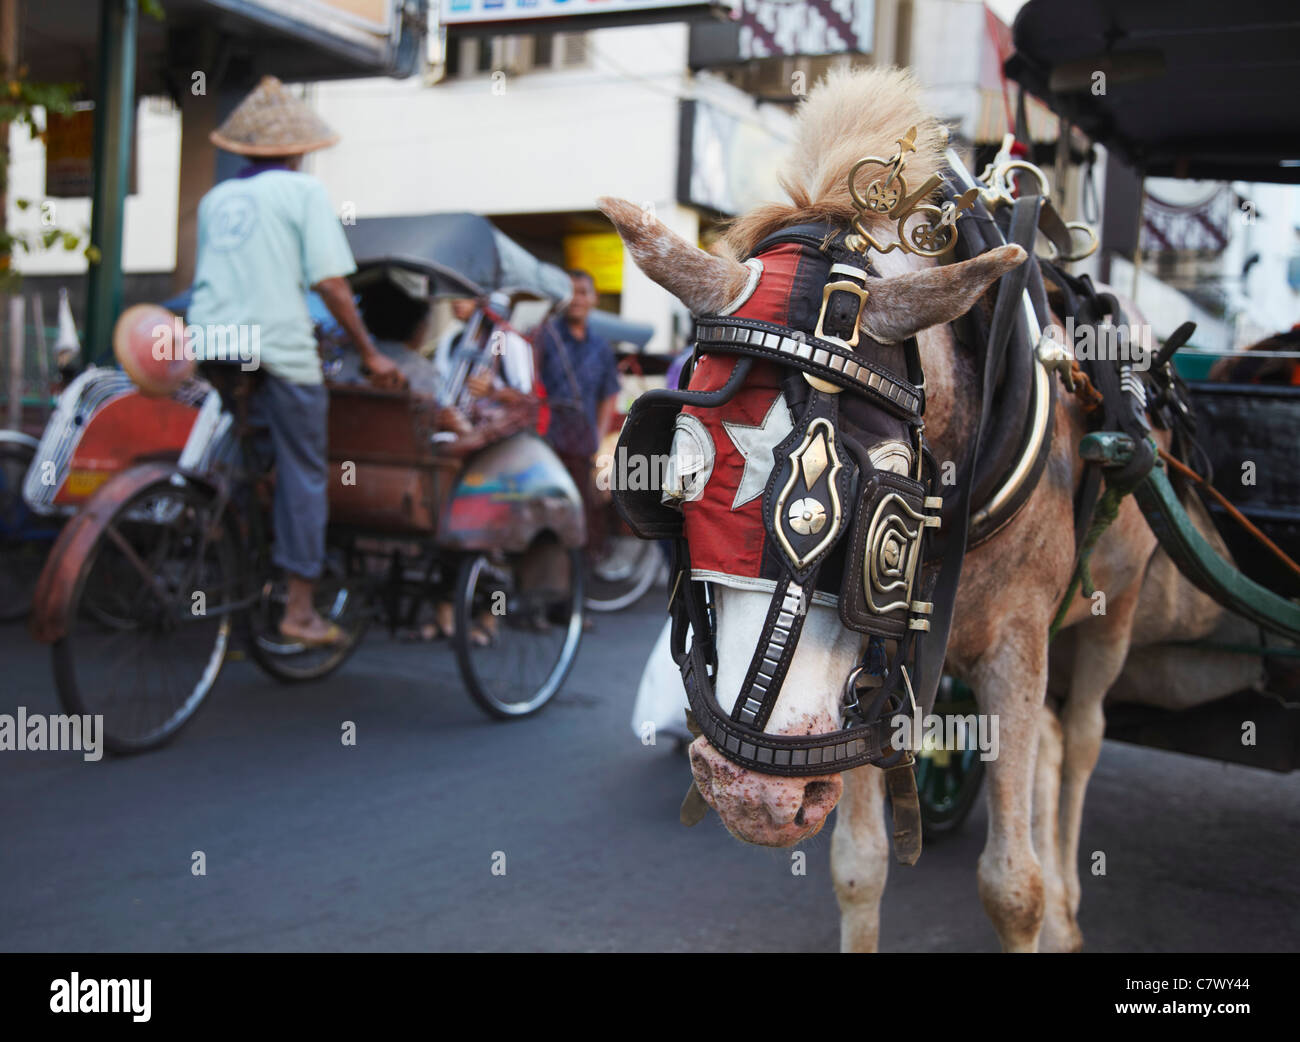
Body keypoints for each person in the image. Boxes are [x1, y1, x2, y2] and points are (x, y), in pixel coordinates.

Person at [187, 75, 404, 647]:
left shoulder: (216, 199)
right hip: (278, 348)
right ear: (299, 150)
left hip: (211, 344)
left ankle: (229, 552)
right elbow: (331, 284)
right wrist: (370, 352)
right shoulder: (301, 194)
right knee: (304, 473)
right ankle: (299, 609)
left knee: (246, 462)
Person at [535, 269, 621, 554]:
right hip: (547, 444)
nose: (576, 299)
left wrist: (598, 440)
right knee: (547, 515)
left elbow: (609, 395)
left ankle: (580, 586)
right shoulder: (544, 338)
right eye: (570, 292)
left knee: (584, 517)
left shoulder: (601, 348)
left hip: (583, 447)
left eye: (583, 292)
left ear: (594, 299)